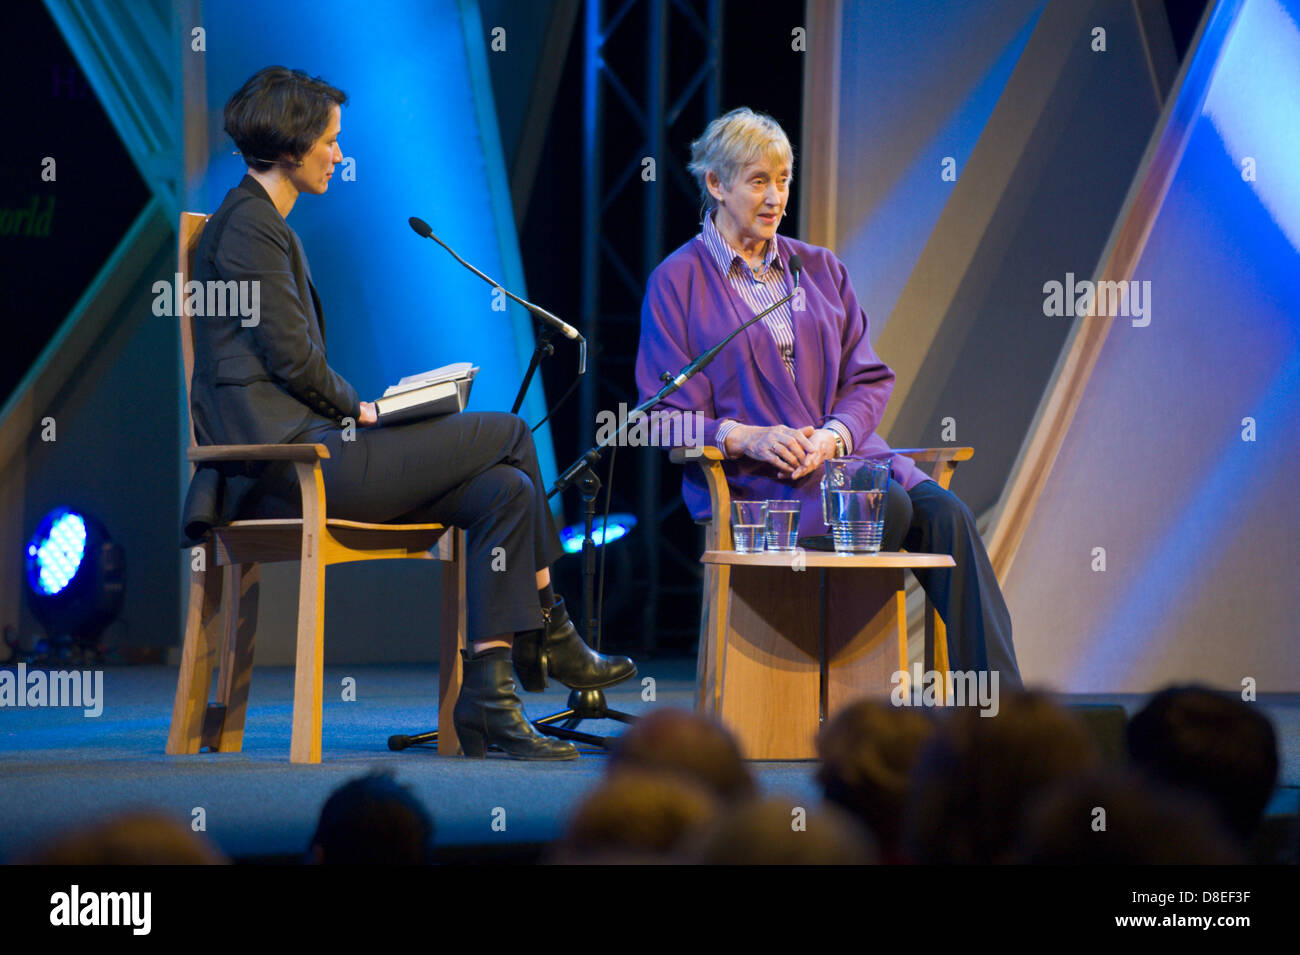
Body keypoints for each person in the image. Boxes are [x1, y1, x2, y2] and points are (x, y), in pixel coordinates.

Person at [184, 66, 635, 760]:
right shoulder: (247, 227)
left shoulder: (262, 226)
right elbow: (290, 359)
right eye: (331, 140)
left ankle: (491, 696)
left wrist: (366, 409)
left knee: (505, 489)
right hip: (292, 465)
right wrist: (362, 408)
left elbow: (290, 357)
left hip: (313, 450)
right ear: (294, 142)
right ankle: (555, 632)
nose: (339, 154)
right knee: (510, 432)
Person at [634, 107, 1021, 687]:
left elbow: (866, 379)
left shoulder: (817, 269)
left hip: (846, 461)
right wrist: (747, 437)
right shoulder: (678, 281)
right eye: (758, 180)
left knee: (950, 518)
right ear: (715, 184)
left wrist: (836, 435)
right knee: (886, 506)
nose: (775, 197)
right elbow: (662, 417)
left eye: (784, 180)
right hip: (763, 489)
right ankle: (839, 695)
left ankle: (997, 710)